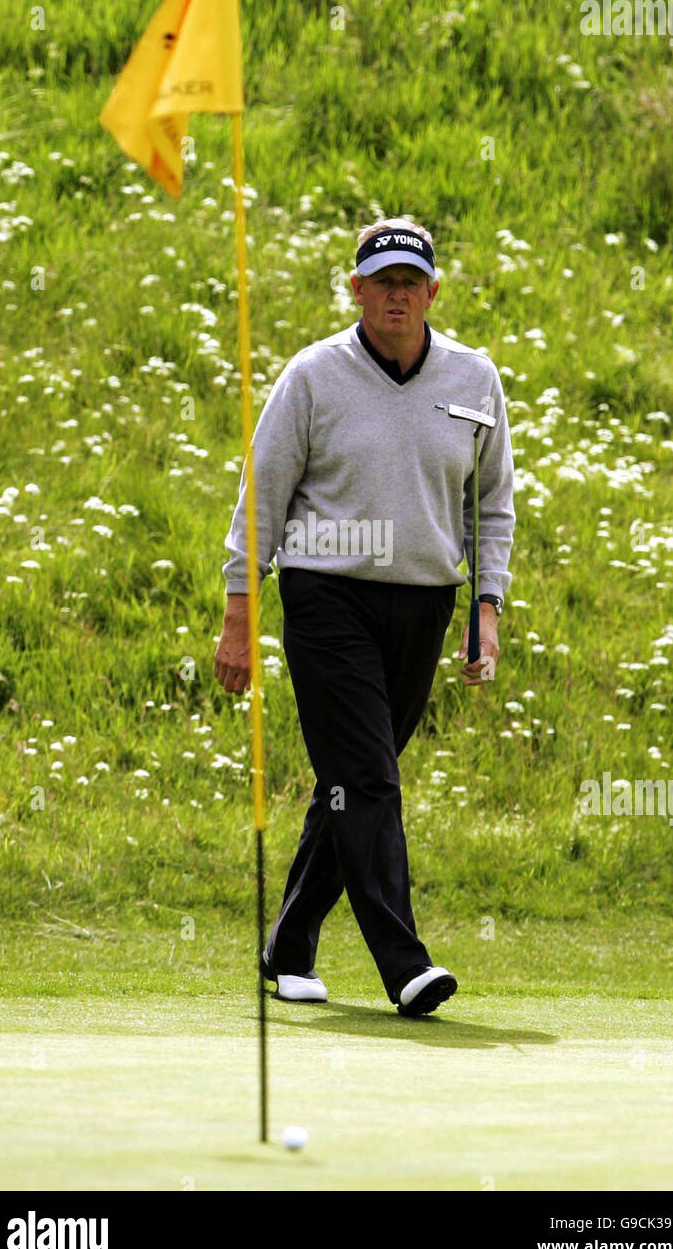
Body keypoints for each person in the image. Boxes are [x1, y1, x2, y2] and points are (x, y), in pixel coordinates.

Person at [214, 217, 515, 1017]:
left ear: (432, 292)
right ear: (355, 290)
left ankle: (289, 946)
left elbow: (491, 507)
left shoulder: (474, 378)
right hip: (325, 594)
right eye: (381, 282)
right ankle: (403, 963)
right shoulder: (313, 376)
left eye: (409, 282)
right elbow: (262, 495)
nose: (396, 295)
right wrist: (238, 614)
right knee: (372, 780)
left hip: (423, 599)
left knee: (349, 784)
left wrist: (486, 608)